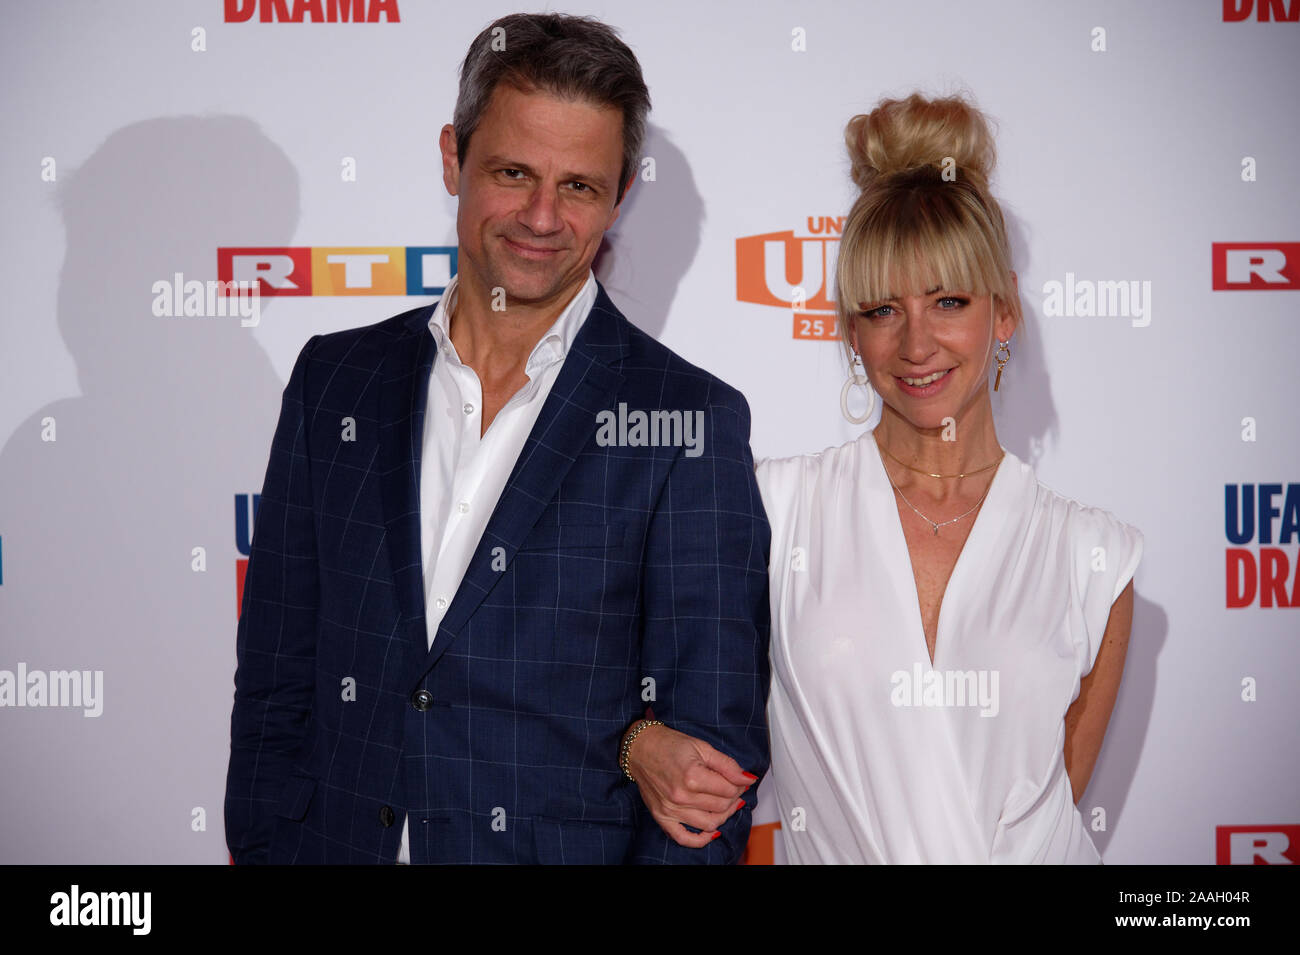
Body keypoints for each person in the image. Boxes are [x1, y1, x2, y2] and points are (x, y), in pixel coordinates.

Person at [224, 12, 771, 865]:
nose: (542, 217)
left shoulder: (688, 421)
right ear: (453, 157)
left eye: (580, 186)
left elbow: (706, 771)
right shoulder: (337, 381)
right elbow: (275, 677)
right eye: (513, 172)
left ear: (621, 194)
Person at [622, 92, 1141, 863]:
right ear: (850, 332)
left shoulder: (1095, 556)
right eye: (883, 310)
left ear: (1004, 315)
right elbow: (601, 663)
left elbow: (1058, 811)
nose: (917, 342)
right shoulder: (775, 507)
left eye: (949, 301)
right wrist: (639, 741)